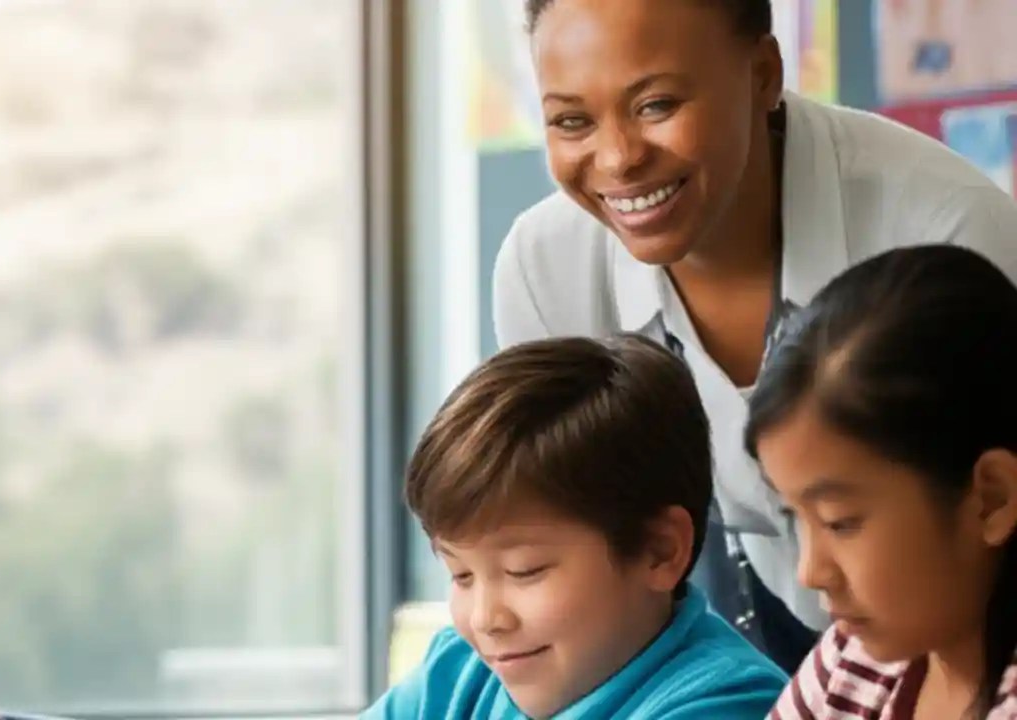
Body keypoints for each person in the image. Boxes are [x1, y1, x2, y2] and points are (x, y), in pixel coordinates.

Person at [495, 0, 1017, 671]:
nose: (619, 159)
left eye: (656, 105)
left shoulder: (947, 236)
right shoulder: (546, 269)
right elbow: (574, 549)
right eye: (572, 120)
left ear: (765, 74)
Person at [363, 336, 785, 719]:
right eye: (461, 575)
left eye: (524, 570)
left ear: (659, 550)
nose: (486, 619)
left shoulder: (729, 705)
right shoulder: (461, 671)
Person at [745, 245, 1017, 719]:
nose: (809, 572)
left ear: (991, 499)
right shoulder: (853, 659)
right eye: (795, 518)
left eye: (840, 522)